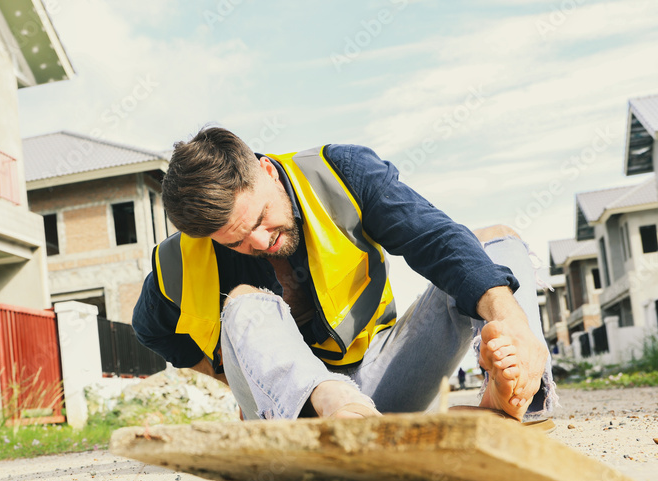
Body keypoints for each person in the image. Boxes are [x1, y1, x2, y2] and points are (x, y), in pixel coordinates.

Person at [133, 127, 554, 422]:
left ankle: (518, 396)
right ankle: (335, 406)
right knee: (242, 300)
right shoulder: (178, 262)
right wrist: (224, 373)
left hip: (380, 378)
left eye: (261, 217)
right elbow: (150, 329)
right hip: (292, 412)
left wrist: (509, 319)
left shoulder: (342, 173)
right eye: (236, 241)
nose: (260, 242)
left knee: (493, 244)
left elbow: (436, 240)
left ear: (265, 170)